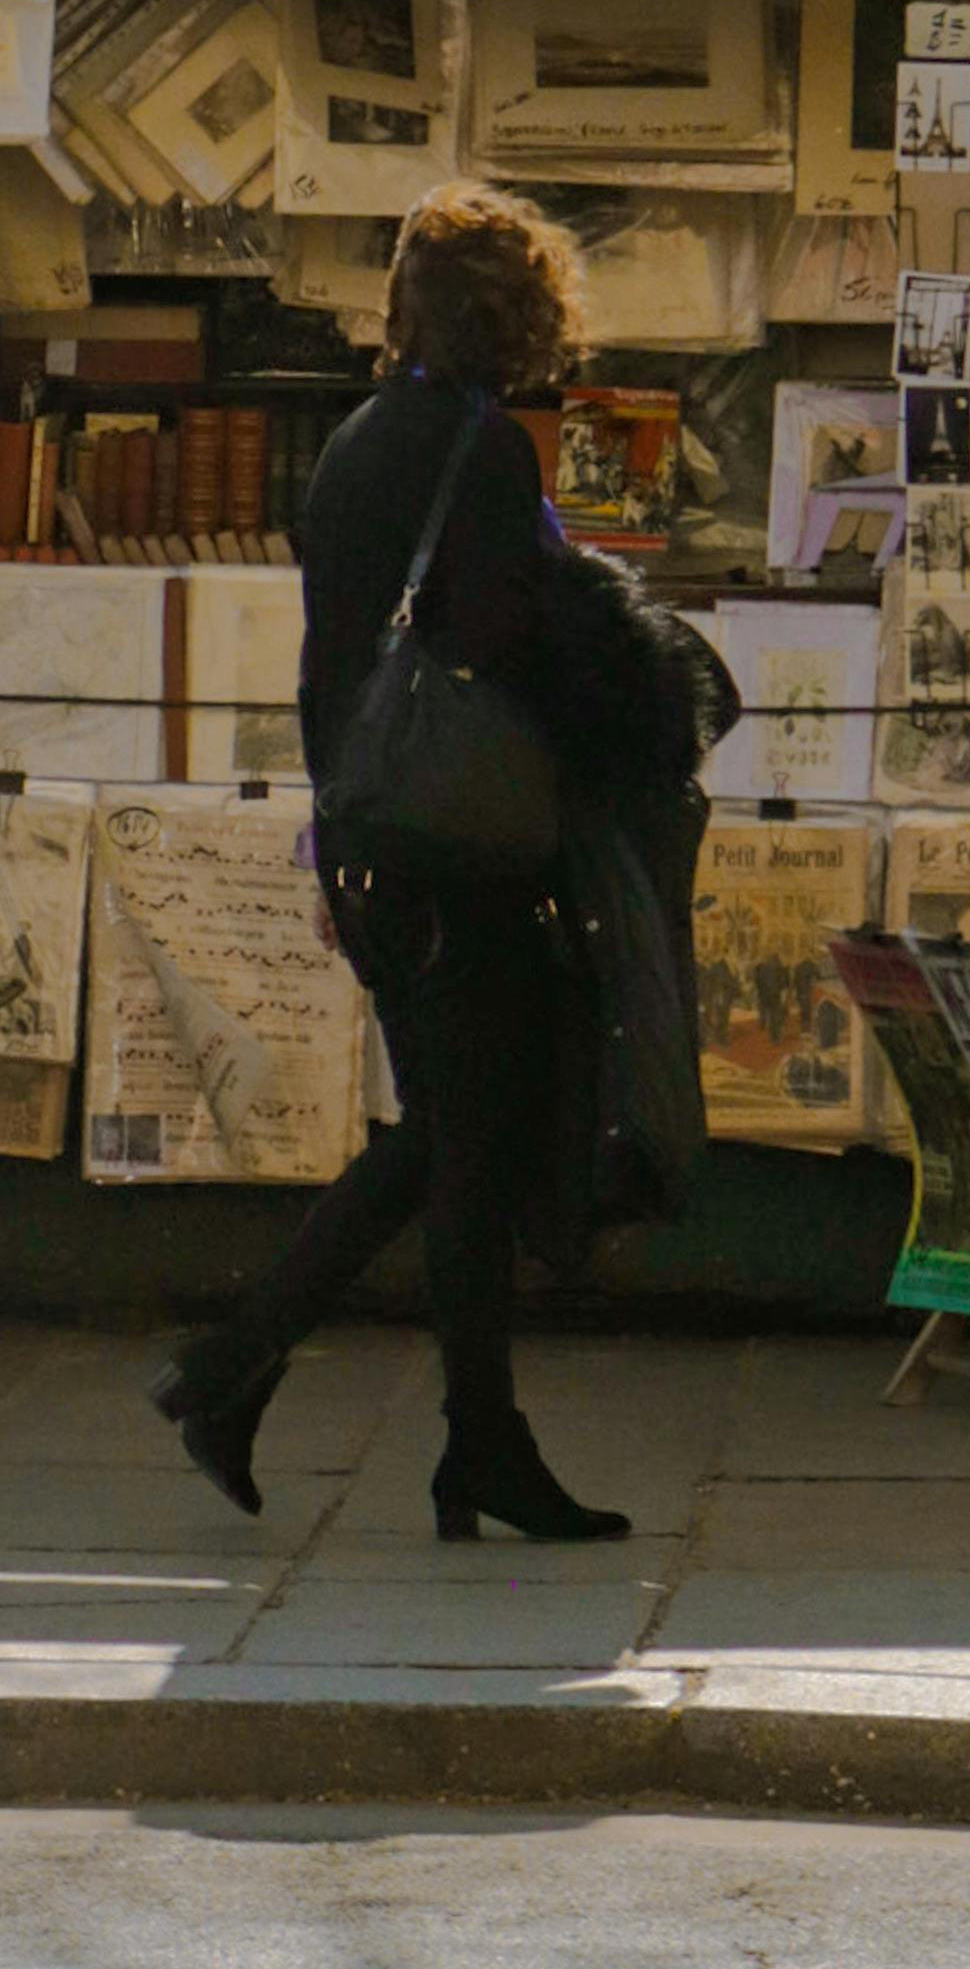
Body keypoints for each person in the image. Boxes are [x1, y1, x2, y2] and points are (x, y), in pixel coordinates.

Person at [150, 182, 724, 1548]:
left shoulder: (356, 442)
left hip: (376, 835)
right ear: (524, 315)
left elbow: (336, 656)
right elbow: (508, 636)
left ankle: (466, 1440)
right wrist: (631, 691)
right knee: (465, 1137)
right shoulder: (479, 448)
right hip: (452, 851)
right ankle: (241, 1377)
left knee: (464, 1141)